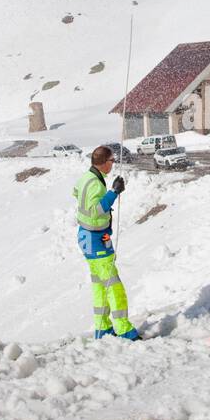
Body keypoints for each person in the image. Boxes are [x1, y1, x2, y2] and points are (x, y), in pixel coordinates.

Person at [72, 145, 138, 341]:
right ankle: (124, 329)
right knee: (113, 286)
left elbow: (76, 193)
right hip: (96, 240)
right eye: (112, 161)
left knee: (100, 286)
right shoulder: (96, 184)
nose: (113, 164)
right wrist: (113, 193)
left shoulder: (86, 178)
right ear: (104, 163)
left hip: (88, 238)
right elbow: (94, 210)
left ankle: (103, 329)